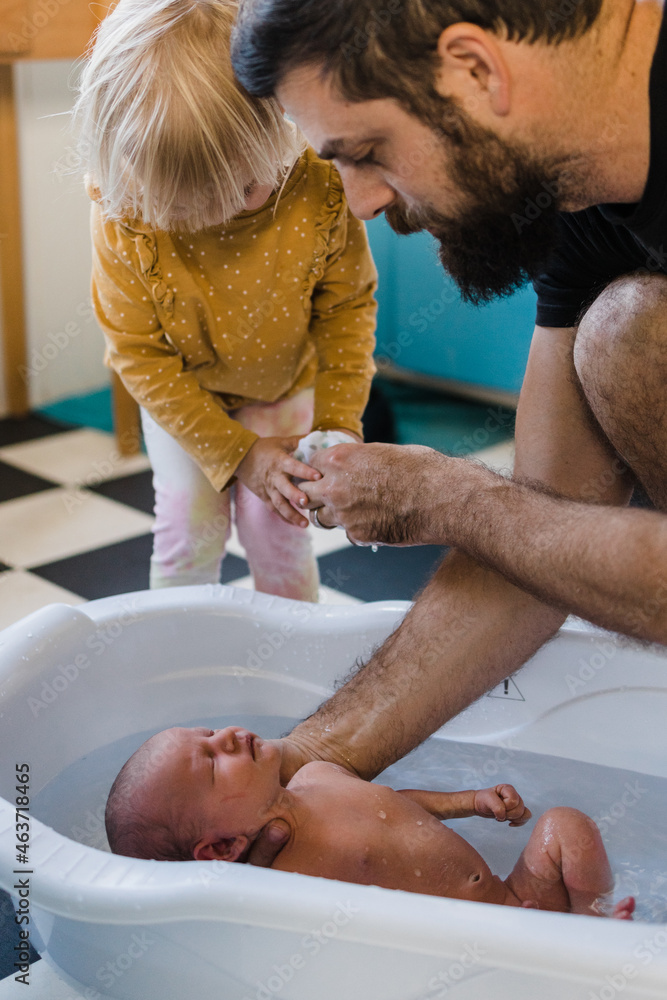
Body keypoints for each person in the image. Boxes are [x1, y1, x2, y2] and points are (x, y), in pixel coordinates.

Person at [227, 0, 667, 861]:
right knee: (628, 335)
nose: (359, 203)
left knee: (629, 337)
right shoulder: (579, 196)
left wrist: (452, 496)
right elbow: (536, 535)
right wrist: (292, 764)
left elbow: (500, 518)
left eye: (366, 152)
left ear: (475, 69)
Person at [73, 0, 377, 596]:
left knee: (280, 530)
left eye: (243, 189)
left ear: (279, 122)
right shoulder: (125, 212)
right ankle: (180, 665)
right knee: (189, 534)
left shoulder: (318, 187)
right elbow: (139, 355)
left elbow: (345, 311)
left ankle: (291, 666)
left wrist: (339, 424)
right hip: (184, 399)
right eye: (188, 206)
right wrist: (240, 455)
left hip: (283, 386)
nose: (217, 216)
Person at [105, 725, 635, 919]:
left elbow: (386, 801)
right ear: (220, 850)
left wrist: (467, 800)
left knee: (566, 825)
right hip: (479, 953)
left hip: (515, 898)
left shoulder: (315, 773)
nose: (227, 735)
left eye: (207, 732)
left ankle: (592, 921)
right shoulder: (279, 880)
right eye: (212, 763)